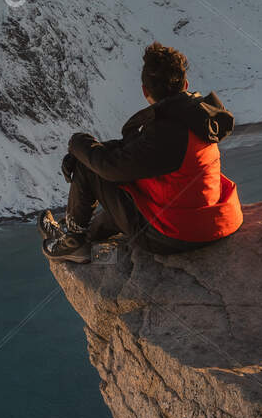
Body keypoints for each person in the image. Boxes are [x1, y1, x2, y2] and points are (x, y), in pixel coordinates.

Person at [39, 43, 243, 262]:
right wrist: (82, 153)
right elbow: (133, 150)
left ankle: (74, 241)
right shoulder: (195, 117)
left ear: (145, 91)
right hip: (211, 220)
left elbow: (110, 168)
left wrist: (77, 144)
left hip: (175, 235)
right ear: (185, 84)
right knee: (110, 178)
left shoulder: (168, 130)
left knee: (92, 169)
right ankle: (82, 233)